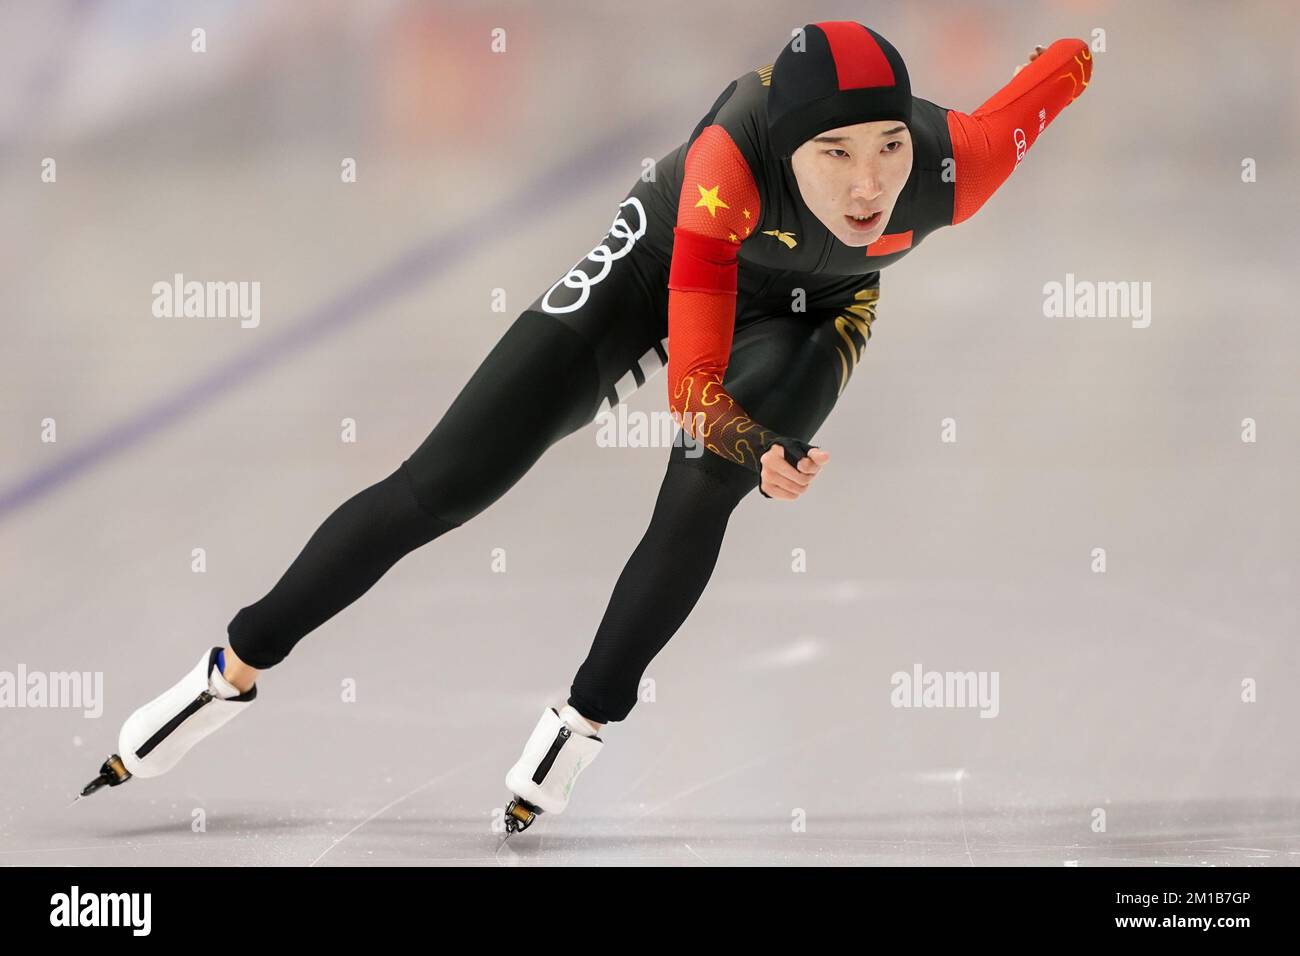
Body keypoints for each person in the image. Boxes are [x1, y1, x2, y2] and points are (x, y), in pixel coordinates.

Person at [81, 22, 1094, 834]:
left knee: (701, 493)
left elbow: (1047, 82)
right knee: (443, 482)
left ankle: (587, 718)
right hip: (663, 266)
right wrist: (759, 449)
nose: (869, 184)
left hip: (812, 312)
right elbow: (694, 397)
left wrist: (1089, 47)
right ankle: (232, 669)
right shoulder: (724, 169)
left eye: (886, 146)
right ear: (787, 147)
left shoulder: (960, 164)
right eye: (834, 152)